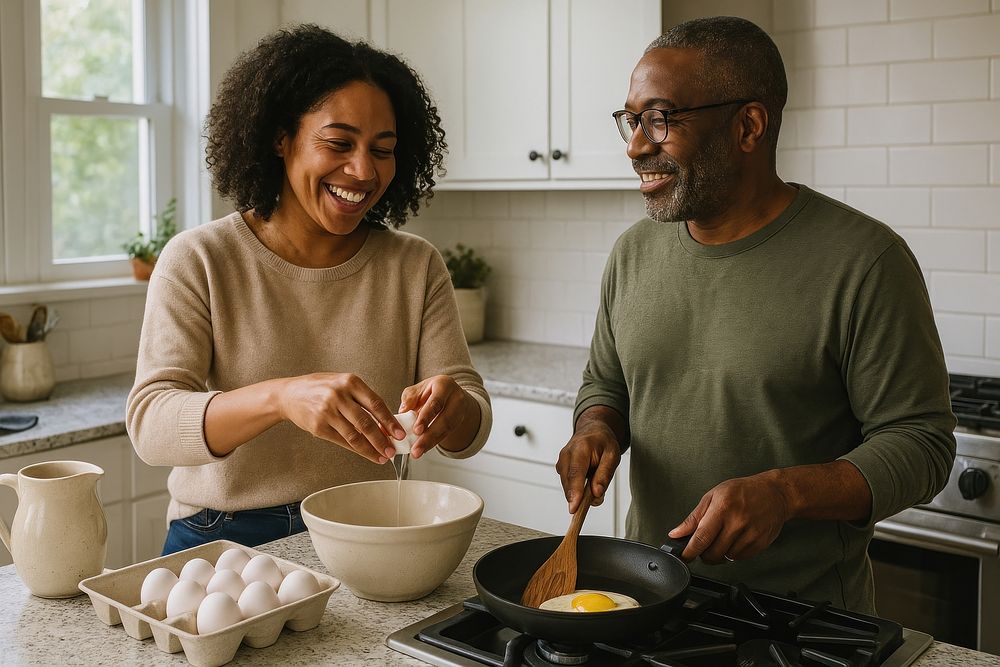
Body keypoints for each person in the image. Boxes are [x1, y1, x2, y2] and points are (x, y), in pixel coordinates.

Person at [556, 16, 955, 613]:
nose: (637, 144)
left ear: (748, 125)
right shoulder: (633, 253)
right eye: (632, 120)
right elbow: (607, 382)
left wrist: (785, 493)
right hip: (647, 597)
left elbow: (921, 444)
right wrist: (596, 429)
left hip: (800, 620)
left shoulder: (865, 260)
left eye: (661, 119)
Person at [127, 25, 492, 555]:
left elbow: (470, 422)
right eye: (339, 143)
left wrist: (454, 408)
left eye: (382, 149)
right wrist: (281, 397)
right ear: (281, 138)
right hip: (224, 535)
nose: (363, 171)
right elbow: (151, 424)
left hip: (367, 527)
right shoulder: (200, 259)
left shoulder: (414, 265)